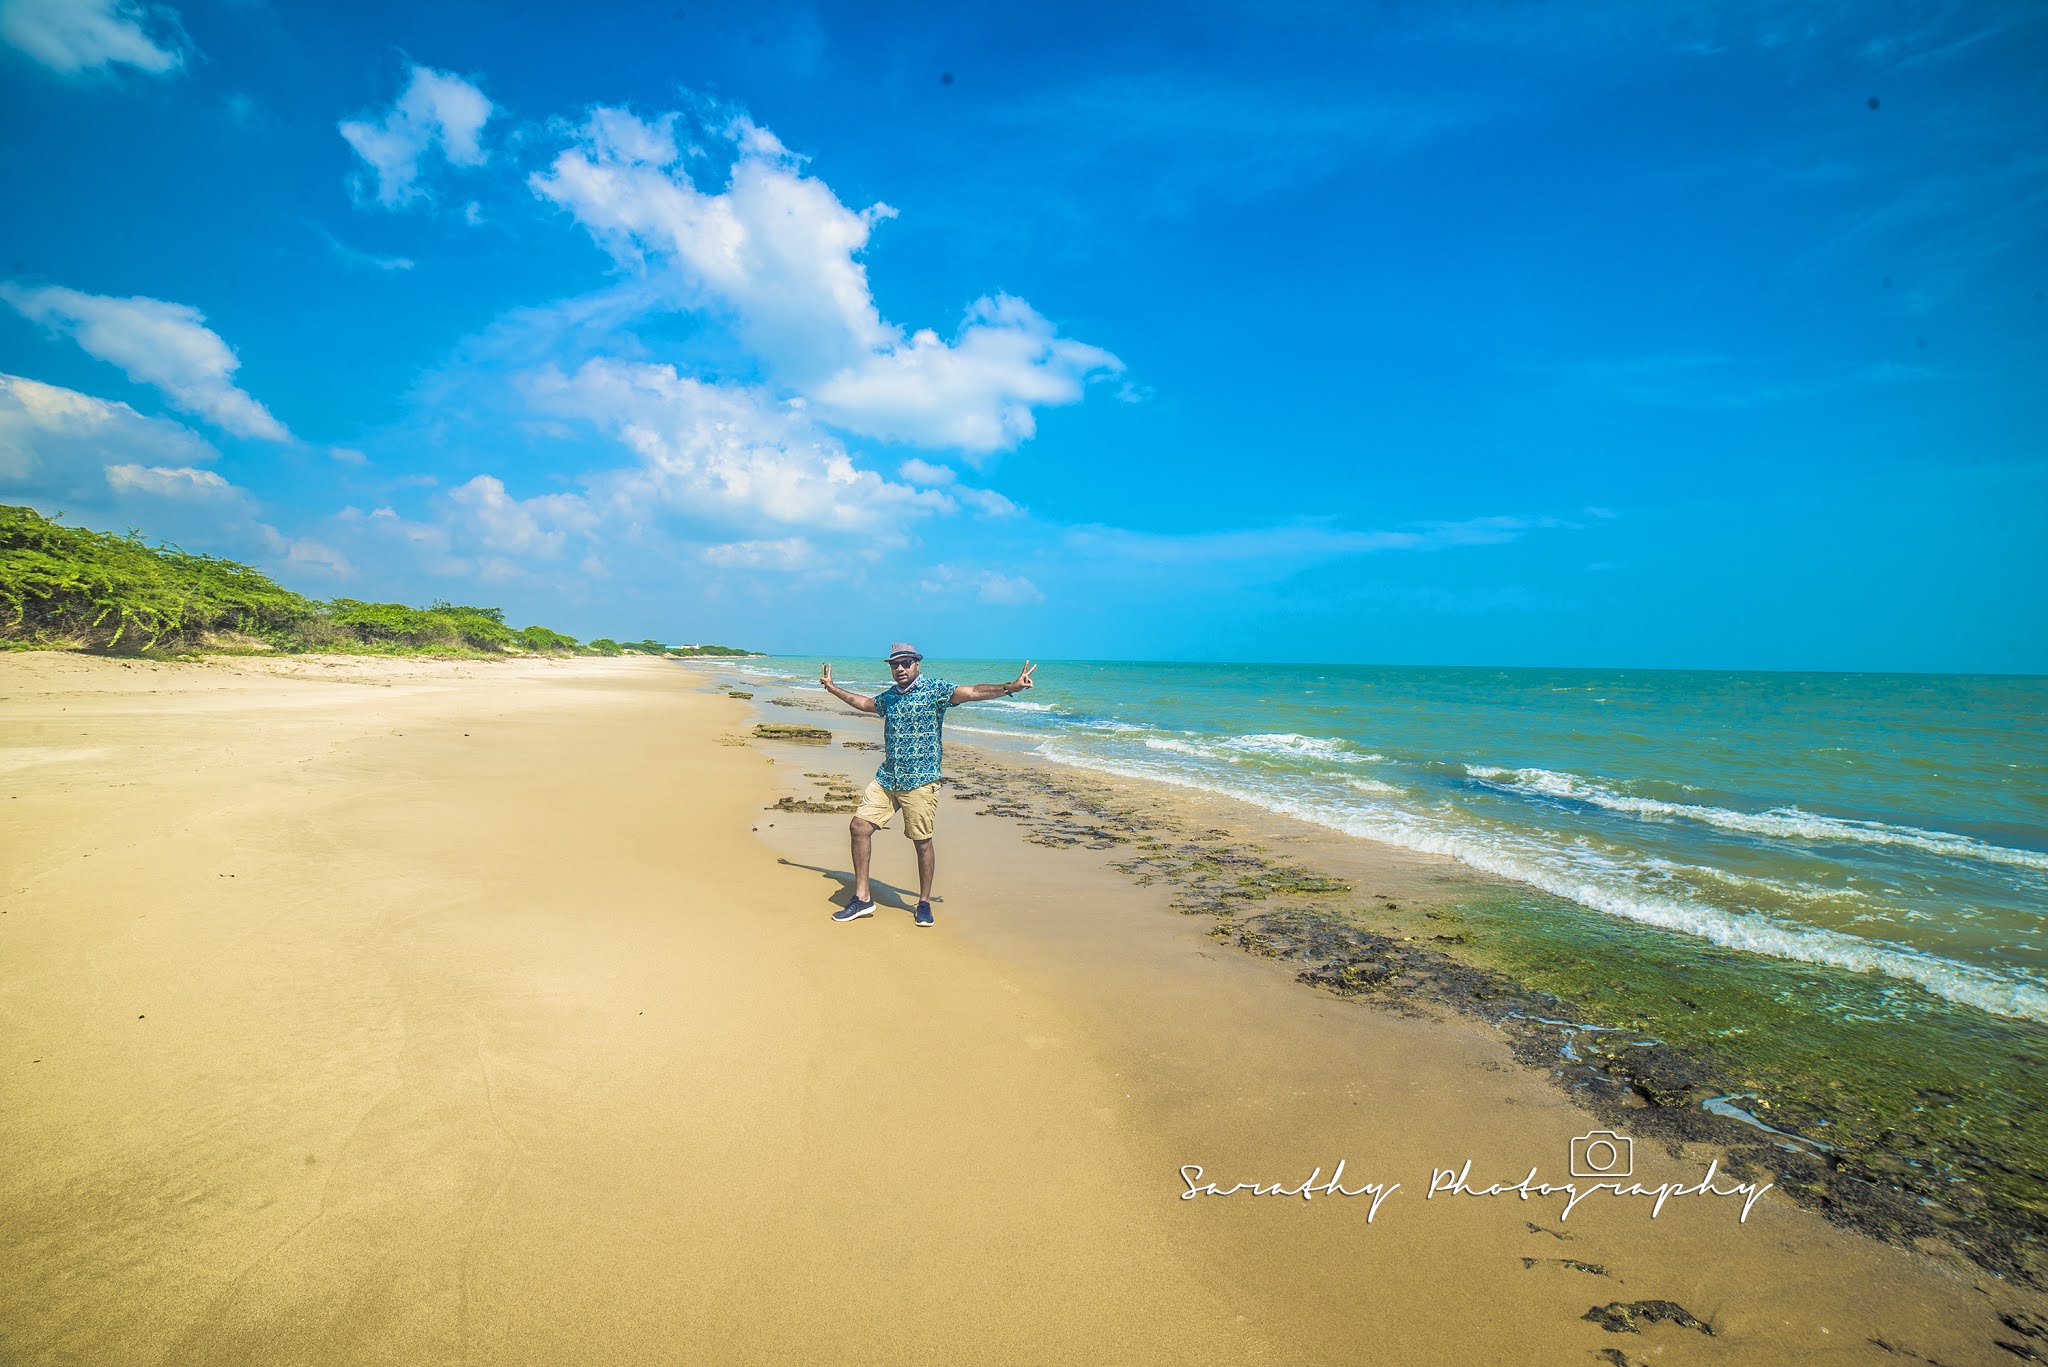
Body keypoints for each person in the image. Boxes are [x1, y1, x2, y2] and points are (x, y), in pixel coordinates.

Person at [817, 643, 1036, 927]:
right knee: (859, 827)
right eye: (895, 664)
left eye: (905, 663)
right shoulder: (890, 698)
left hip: (921, 780)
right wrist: (833, 688)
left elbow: (972, 693)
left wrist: (1010, 687)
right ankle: (862, 898)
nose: (899, 669)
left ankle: (923, 902)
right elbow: (864, 703)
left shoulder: (935, 690)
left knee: (922, 843)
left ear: (917, 664)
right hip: (888, 777)